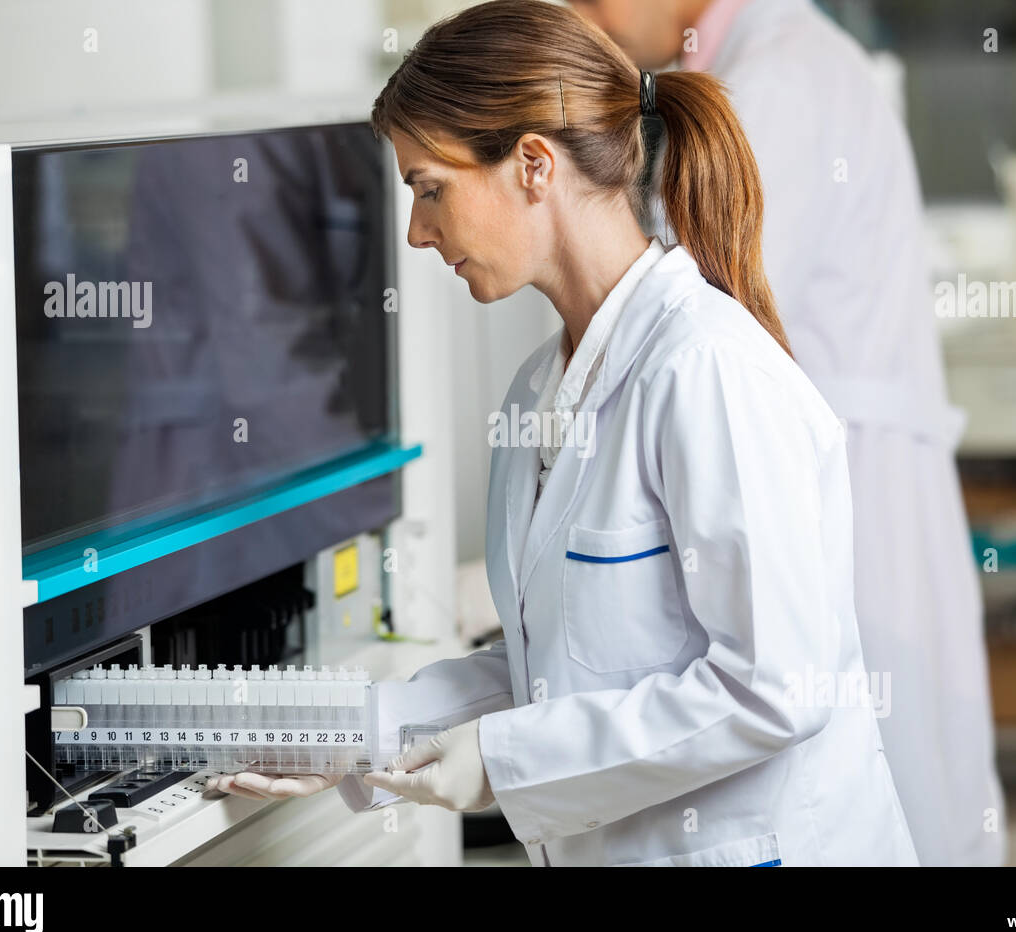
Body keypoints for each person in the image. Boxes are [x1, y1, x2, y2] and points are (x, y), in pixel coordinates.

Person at [210, 0, 917, 867]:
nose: (417, 231)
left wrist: (506, 762)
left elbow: (777, 688)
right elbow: (564, 667)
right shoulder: (541, 392)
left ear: (533, 165)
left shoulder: (704, 372)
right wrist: (359, 731)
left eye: (430, 189)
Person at [567, 0, 1006, 866]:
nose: (586, 20)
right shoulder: (757, 65)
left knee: (894, 766)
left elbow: (699, 299)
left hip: (845, 481)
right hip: (824, 466)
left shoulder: (782, 80)